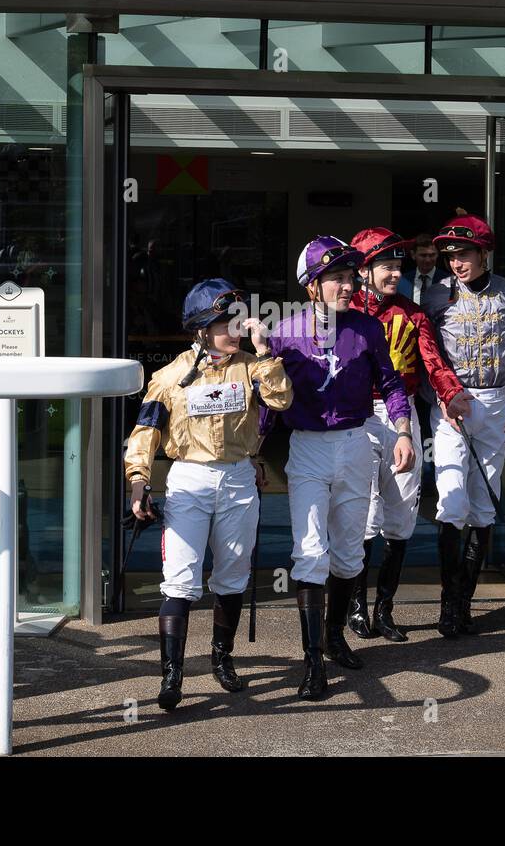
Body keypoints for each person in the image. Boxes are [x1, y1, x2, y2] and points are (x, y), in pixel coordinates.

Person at [124, 278, 292, 711]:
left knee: (233, 575)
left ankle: (222, 658)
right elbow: (145, 432)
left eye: (236, 321)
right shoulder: (169, 377)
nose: (233, 330)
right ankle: (172, 676)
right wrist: (139, 482)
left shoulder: (253, 366)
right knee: (180, 580)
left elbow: (281, 400)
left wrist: (266, 349)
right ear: (200, 328)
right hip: (189, 480)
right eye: (223, 323)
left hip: (238, 478)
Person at [271, 237, 413, 701]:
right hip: (308, 448)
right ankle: (313, 661)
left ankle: (335, 637)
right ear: (313, 286)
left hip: (356, 443)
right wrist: (250, 450)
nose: (348, 285)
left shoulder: (368, 329)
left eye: (352, 277)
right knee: (310, 552)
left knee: (350, 553)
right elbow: (267, 402)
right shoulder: (284, 333)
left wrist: (405, 430)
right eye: (337, 278)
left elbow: (390, 381)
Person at [349, 228, 471, 643]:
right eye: (386, 265)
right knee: (364, 515)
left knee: (400, 517)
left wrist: (452, 395)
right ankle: (355, 608)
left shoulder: (413, 313)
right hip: (357, 418)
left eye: (397, 265)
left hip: (402, 418)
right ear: (364, 269)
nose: (394, 272)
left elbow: (434, 364)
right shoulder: (343, 312)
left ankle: (385, 609)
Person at [423, 215, 505, 638]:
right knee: (451, 503)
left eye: (464, 254)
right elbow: (425, 353)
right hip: (451, 401)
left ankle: (464, 604)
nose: (456, 263)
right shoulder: (435, 297)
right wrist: (436, 394)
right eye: (450, 256)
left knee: (485, 503)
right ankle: (447, 604)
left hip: (495, 401)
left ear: (483, 252)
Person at [397, 233, 447, 305]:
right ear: (413, 255)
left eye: (432, 255)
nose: (428, 260)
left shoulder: (447, 280)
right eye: (423, 255)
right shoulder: (402, 281)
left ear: (437, 254)